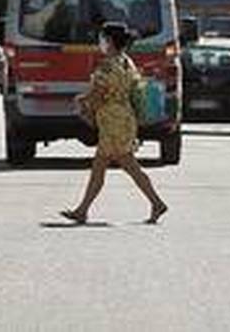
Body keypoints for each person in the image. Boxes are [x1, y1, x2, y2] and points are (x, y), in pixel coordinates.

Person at [60, 22, 168, 225]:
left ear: (109, 41)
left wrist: (82, 101)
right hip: (124, 118)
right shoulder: (126, 62)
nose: (100, 42)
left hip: (113, 122)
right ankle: (83, 209)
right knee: (111, 165)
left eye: (102, 38)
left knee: (119, 164)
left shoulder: (107, 65)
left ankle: (156, 202)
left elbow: (99, 93)